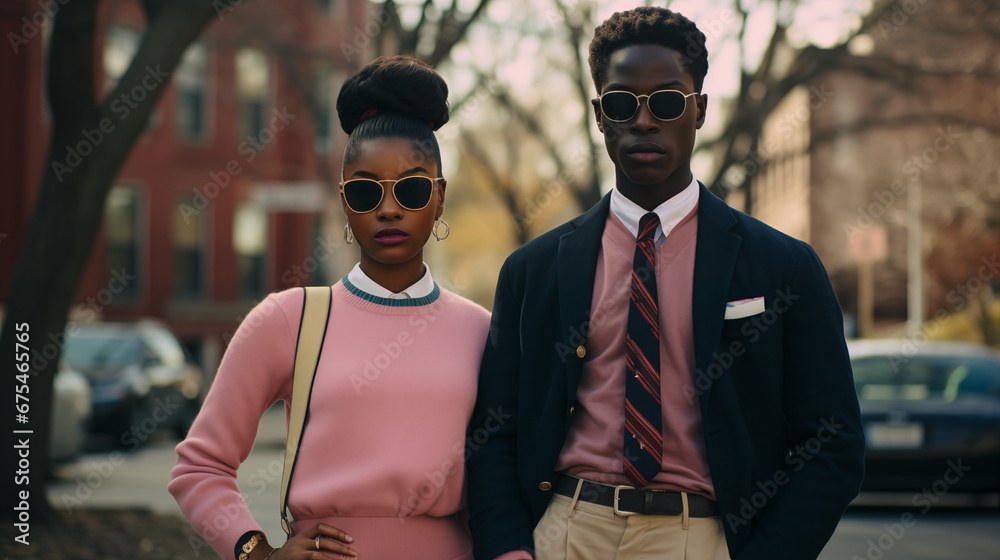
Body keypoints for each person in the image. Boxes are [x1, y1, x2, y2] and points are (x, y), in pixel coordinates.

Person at [466, 7, 865, 560]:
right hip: (565, 532)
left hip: (702, 538)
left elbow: (833, 442)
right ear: (600, 116)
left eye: (669, 101)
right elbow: (494, 435)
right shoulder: (534, 271)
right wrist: (510, 549)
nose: (645, 121)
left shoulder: (783, 266)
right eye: (623, 103)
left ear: (699, 111)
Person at [169, 55, 490, 560]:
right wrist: (257, 552)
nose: (389, 208)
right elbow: (200, 466)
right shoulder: (288, 320)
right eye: (365, 191)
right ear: (344, 201)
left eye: (411, 188)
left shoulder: (482, 331)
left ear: (440, 197)